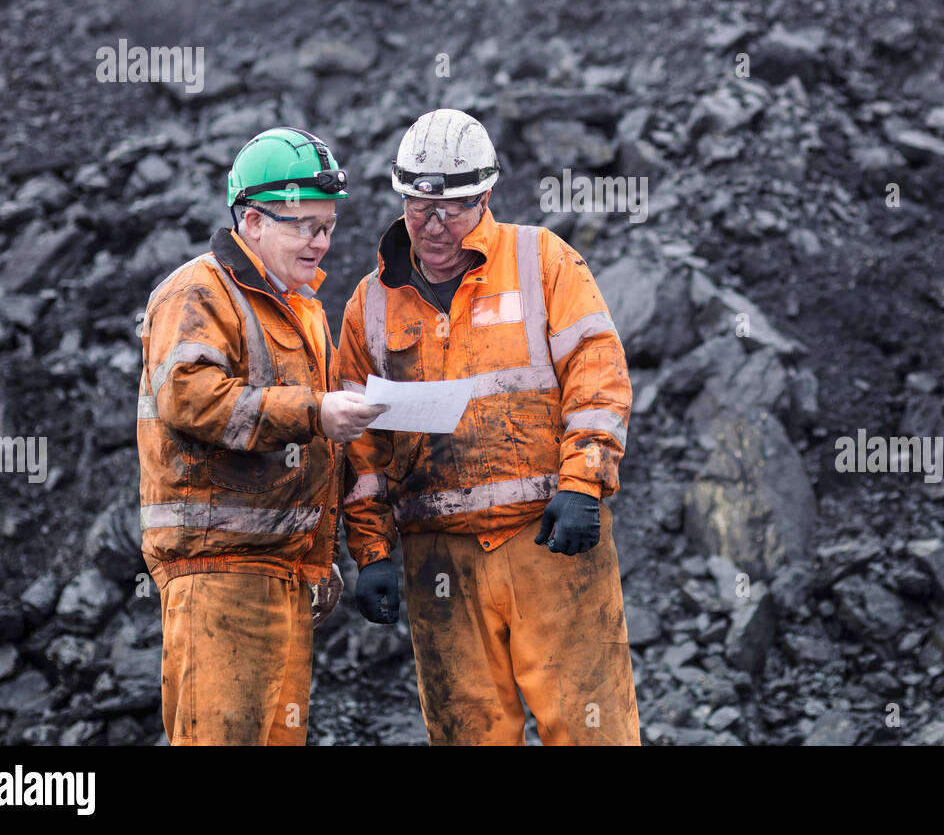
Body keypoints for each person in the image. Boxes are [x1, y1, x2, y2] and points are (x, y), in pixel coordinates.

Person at [339, 108, 640, 745]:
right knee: (468, 736)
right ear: (401, 198)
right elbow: (359, 444)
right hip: (439, 558)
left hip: (548, 541)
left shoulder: (541, 261)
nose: (435, 225)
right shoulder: (369, 304)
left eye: (455, 207)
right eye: (420, 207)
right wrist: (370, 552)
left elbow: (598, 369)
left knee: (593, 731)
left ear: (487, 195)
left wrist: (584, 482)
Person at [136, 126, 381, 745]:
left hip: (287, 576)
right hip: (219, 574)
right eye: (304, 225)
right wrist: (315, 412)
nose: (320, 242)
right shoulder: (199, 291)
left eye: (326, 227)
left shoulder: (302, 310)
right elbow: (189, 396)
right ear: (251, 220)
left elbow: (318, 445)